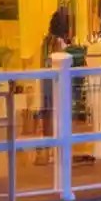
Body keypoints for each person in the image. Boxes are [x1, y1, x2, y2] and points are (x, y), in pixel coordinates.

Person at [36, 8, 69, 165]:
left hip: (45, 79)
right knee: (58, 114)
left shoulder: (46, 40)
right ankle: (56, 149)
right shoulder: (59, 43)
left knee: (47, 113)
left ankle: (46, 149)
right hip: (56, 81)